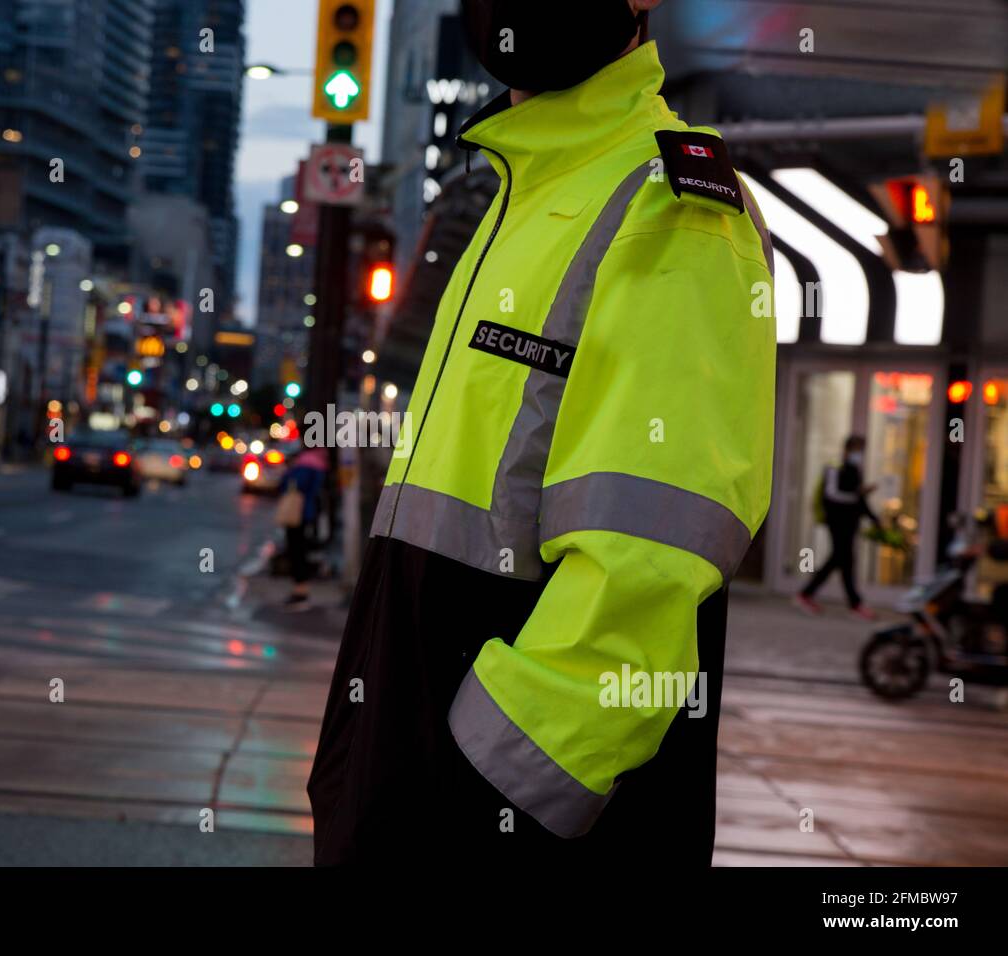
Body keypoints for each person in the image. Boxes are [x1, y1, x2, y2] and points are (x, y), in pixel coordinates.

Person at [306, 0, 776, 865]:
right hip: (404, 789)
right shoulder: (521, 196)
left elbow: (646, 569)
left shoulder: (670, 200)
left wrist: (481, 792)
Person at [795, 435, 880, 620]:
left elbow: (859, 500)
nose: (860, 454)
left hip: (850, 523)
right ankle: (853, 603)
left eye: (862, 450)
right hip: (836, 522)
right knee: (844, 559)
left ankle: (807, 594)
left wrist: (874, 518)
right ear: (848, 449)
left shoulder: (856, 469)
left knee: (840, 559)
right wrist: (857, 493)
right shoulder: (834, 467)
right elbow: (832, 495)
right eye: (858, 450)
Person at [278, 447, 328, 611]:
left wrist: (290, 470)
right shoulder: (320, 461)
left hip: (298, 513)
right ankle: (300, 591)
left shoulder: (306, 462)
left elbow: (291, 484)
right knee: (301, 551)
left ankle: (300, 592)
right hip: (309, 512)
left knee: (297, 551)